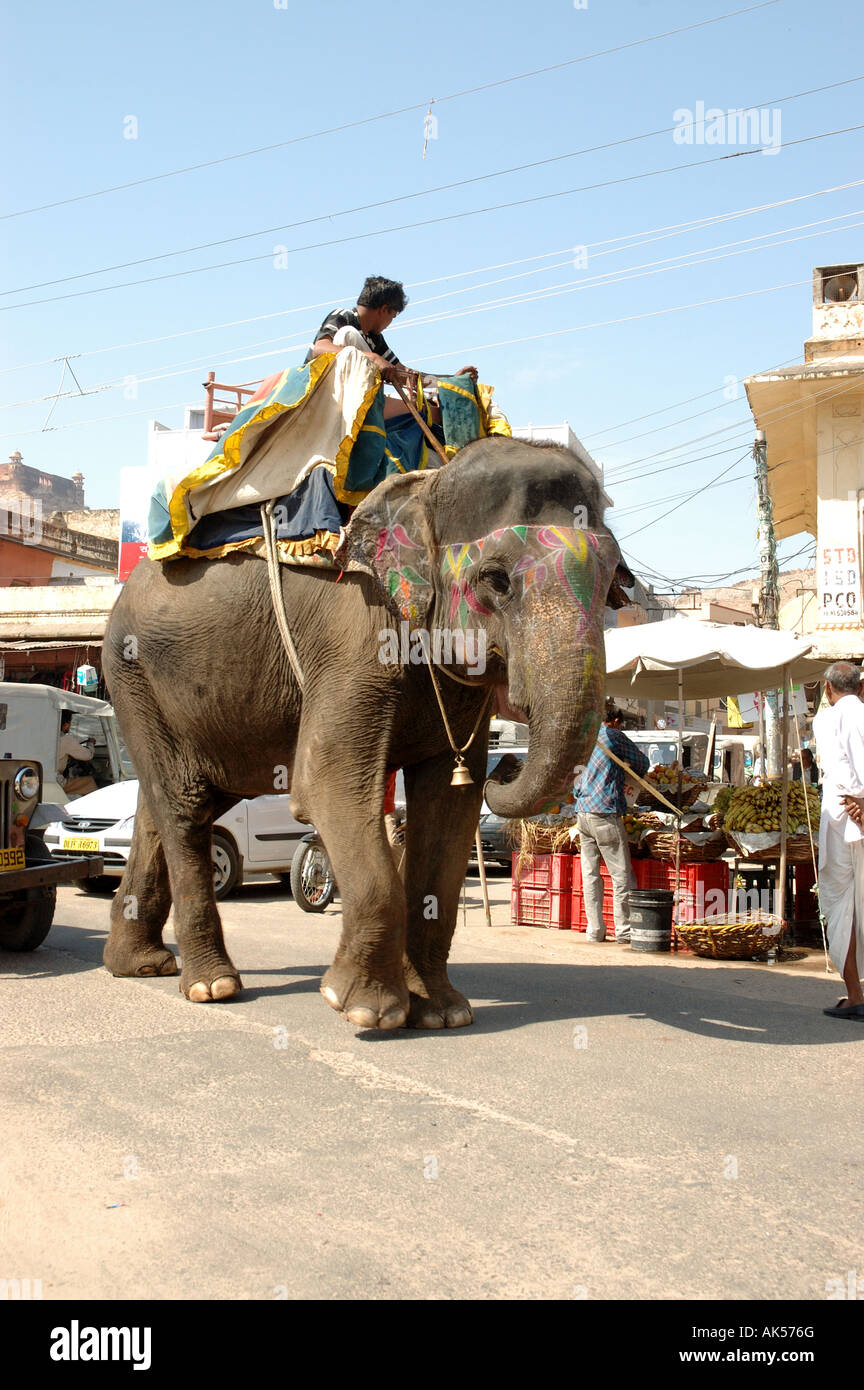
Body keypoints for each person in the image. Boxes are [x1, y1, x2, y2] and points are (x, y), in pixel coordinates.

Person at [304, 275, 479, 420]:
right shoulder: (344, 317)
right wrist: (372, 358)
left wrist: (450, 382)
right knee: (348, 335)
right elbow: (320, 348)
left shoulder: (375, 339)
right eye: (393, 316)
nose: (389, 323)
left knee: (420, 404)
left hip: (357, 396)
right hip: (324, 394)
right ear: (384, 309)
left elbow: (404, 374)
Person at [811, 662, 864, 1020]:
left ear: (828, 689)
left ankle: (855, 994)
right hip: (847, 815)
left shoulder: (842, 716)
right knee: (849, 904)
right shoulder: (847, 714)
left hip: (848, 819)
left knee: (842, 904)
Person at [575, 702, 649, 944]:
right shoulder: (614, 736)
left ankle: (595, 930)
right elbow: (642, 763)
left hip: (583, 812)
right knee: (622, 876)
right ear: (615, 721)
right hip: (605, 812)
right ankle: (624, 930)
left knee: (591, 875)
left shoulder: (584, 737)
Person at [58, 712, 98, 797]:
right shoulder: (65, 739)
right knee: (90, 782)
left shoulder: (47, 737)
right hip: (57, 781)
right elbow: (88, 755)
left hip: (44, 778)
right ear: (65, 725)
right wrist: (90, 744)